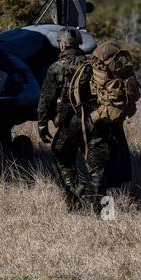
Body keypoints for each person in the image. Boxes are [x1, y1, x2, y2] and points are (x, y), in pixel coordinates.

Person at [38, 27, 110, 212]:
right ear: (78, 44)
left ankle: (76, 199)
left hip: (70, 124)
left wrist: (42, 124)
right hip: (96, 122)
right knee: (98, 170)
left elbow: (46, 99)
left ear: (61, 44)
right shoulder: (92, 64)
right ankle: (104, 214)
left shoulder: (56, 68)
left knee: (60, 154)